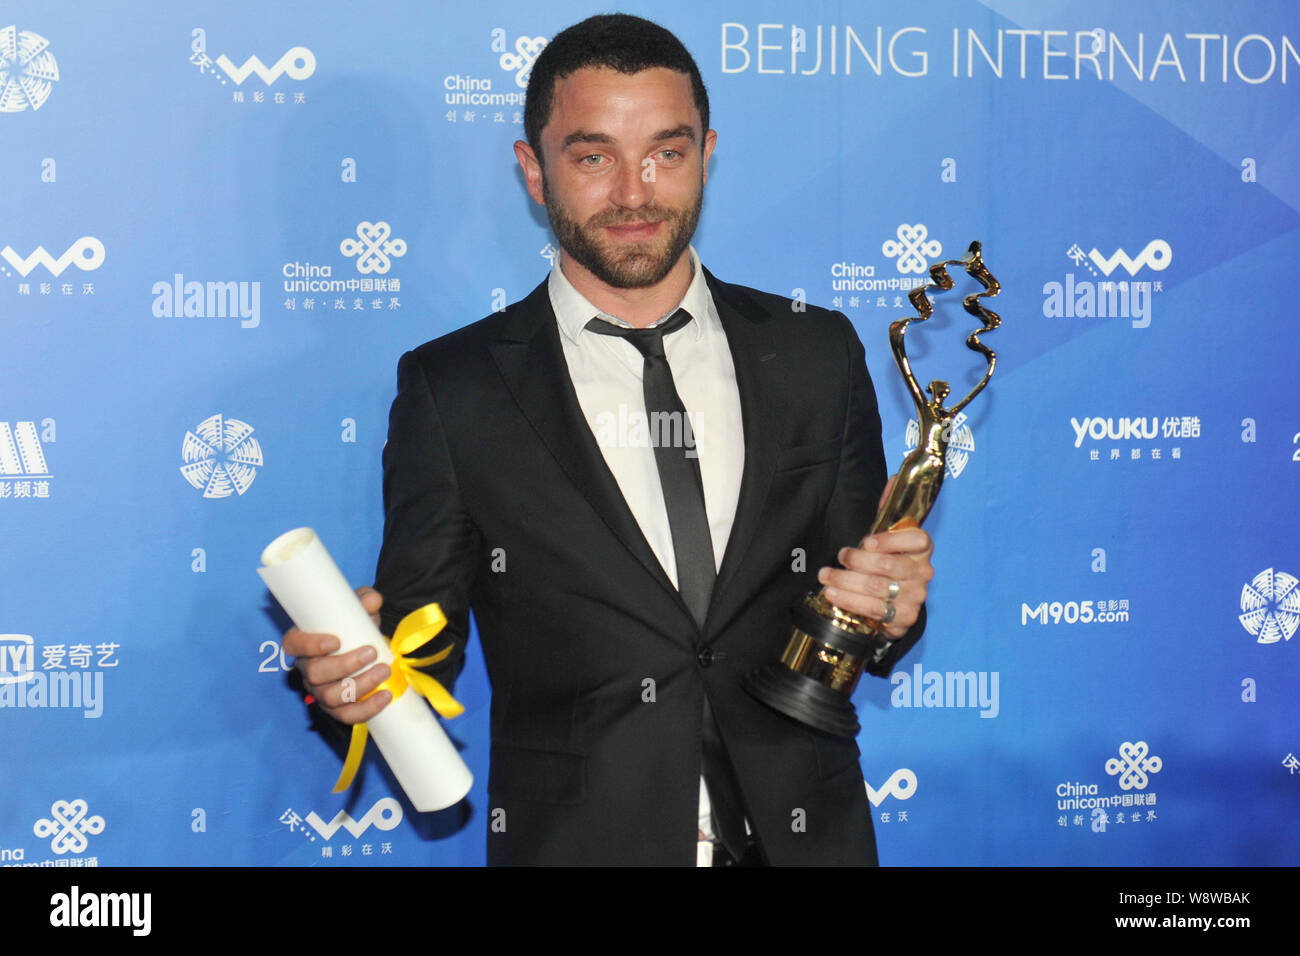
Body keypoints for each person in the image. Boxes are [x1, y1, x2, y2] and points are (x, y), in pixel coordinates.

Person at [284, 13, 934, 866]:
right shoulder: (456, 389)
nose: (635, 192)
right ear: (533, 169)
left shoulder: (816, 351)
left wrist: (893, 610)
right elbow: (421, 658)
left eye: (666, 152)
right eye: (594, 157)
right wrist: (353, 687)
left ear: (707, 152)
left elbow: (861, 609)